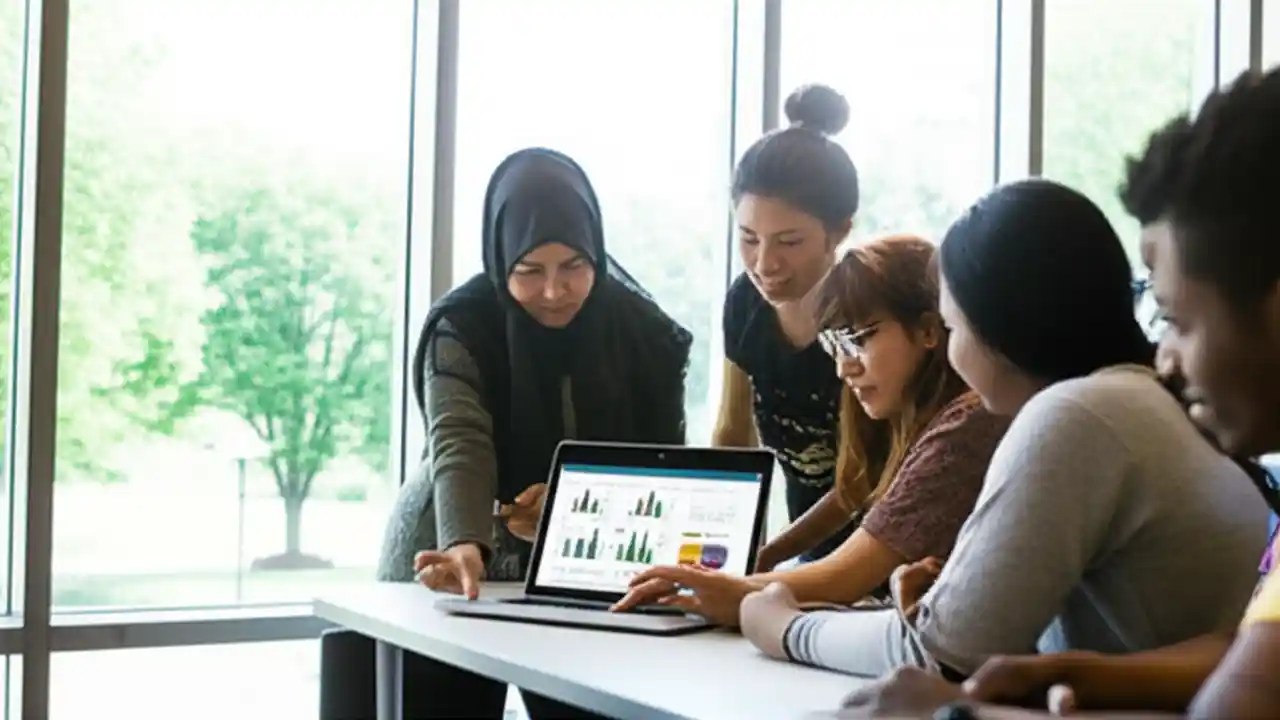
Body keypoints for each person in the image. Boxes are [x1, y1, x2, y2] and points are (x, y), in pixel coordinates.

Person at [733, 178, 1268, 683]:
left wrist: (782, 626)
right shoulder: (1131, 400)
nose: (951, 350)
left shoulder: (1079, 414)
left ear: (1001, 326)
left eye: (953, 328)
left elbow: (942, 656)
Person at [319, 148, 692, 720]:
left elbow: (664, 466)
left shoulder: (647, 334)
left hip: (590, 558)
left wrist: (575, 509)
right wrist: (466, 540)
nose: (554, 291)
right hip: (448, 543)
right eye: (529, 271)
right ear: (500, 259)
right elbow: (459, 440)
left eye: (573, 265)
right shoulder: (463, 325)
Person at [612, 235, 1009, 626]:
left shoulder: (965, 426)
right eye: (835, 343)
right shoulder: (910, 416)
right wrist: (764, 558)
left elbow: (844, 576)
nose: (844, 367)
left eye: (859, 339)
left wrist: (718, 588)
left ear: (928, 331)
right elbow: (853, 488)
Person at [717, 83, 863, 567]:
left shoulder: (865, 313)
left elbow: (859, 481)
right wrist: (720, 550)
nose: (765, 263)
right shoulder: (745, 304)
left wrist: (763, 560)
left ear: (840, 230)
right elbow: (732, 433)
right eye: (749, 239)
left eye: (789, 241)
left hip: (880, 558)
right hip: (805, 558)